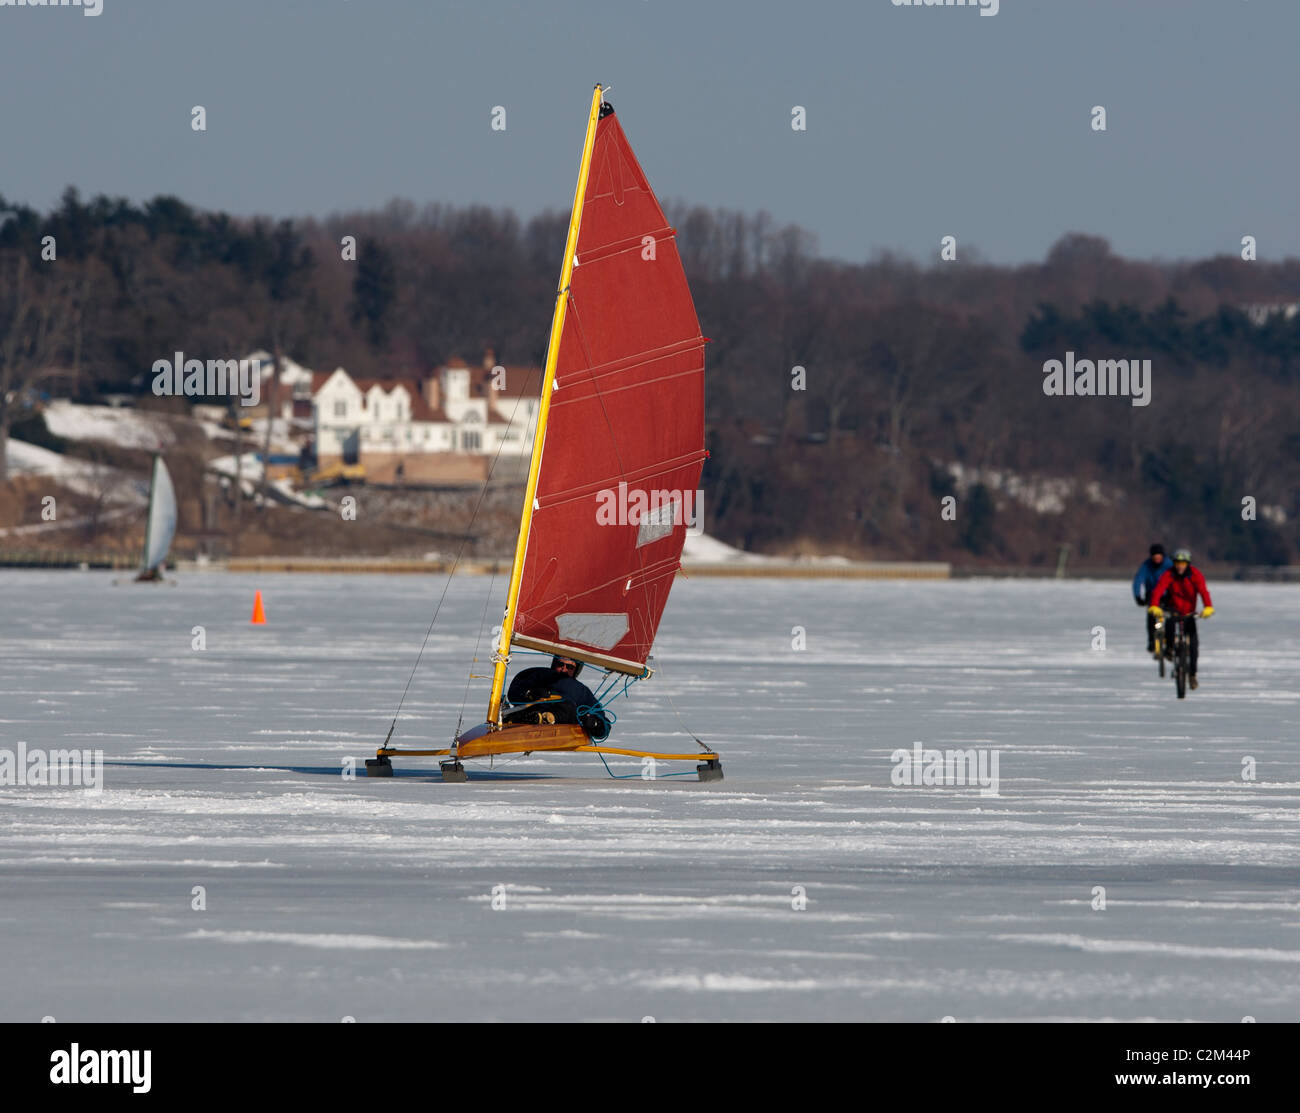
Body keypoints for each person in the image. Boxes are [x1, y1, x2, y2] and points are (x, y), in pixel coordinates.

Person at [1147, 548, 1214, 689]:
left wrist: (1208, 607)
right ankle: (1170, 649)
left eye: (1183, 563)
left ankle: (1192, 675)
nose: (1180, 566)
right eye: (1177, 562)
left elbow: (1203, 591)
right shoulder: (1169, 574)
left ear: (1187, 563)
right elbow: (1159, 589)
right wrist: (1154, 605)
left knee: (1194, 645)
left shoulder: (1195, 574)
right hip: (1174, 609)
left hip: (1189, 612)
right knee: (1170, 625)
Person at [504, 655, 610, 740]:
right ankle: (511, 719)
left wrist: (595, 723)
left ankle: (547, 718)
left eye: (569, 667)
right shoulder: (538, 675)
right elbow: (514, 691)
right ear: (554, 664)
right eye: (560, 664)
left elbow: (604, 725)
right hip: (531, 712)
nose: (564, 669)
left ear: (576, 669)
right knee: (527, 710)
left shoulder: (580, 690)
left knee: (568, 708)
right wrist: (530, 693)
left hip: (561, 725)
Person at [1132, 543, 1173, 654]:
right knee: (1151, 617)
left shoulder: (1169, 564)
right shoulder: (1146, 565)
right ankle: (1151, 641)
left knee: (1170, 618)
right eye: (1155, 556)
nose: (1157, 559)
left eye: (1159, 556)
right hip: (1151, 595)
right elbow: (1138, 580)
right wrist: (1138, 596)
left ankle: (1170, 644)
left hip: (1167, 595)